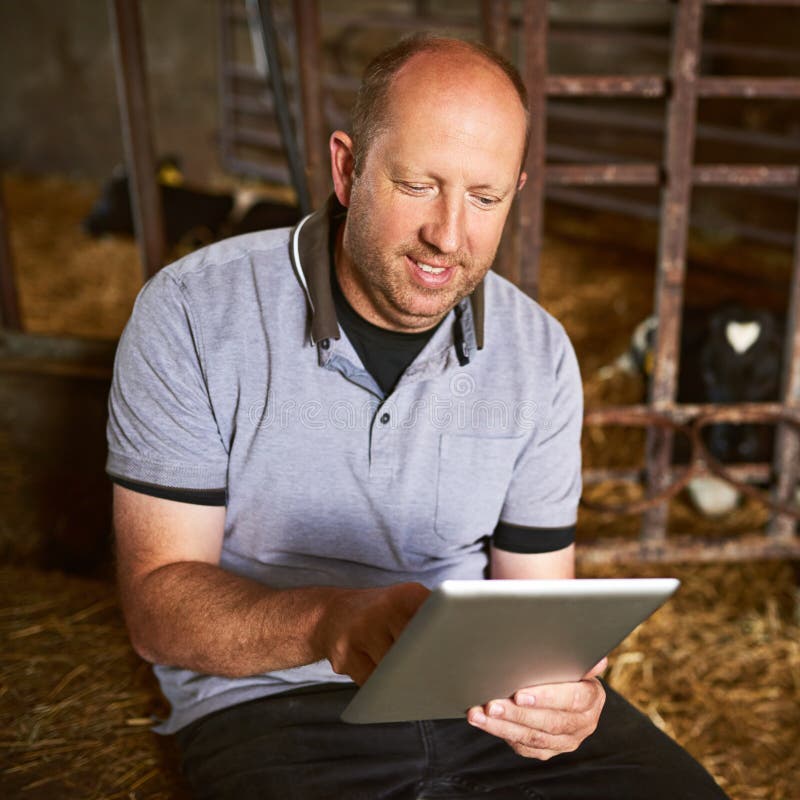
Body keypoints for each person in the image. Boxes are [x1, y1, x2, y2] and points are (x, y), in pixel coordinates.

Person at [107, 34, 729, 799]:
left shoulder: (539, 352)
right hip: (275, 702)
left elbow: (538, 605)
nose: (449, 235)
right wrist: (330, 624)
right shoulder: (193, 313)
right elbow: (157, 607)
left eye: (485, 197)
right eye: (417, 185)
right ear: (348, 168)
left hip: (481, 705)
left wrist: (564, 700)